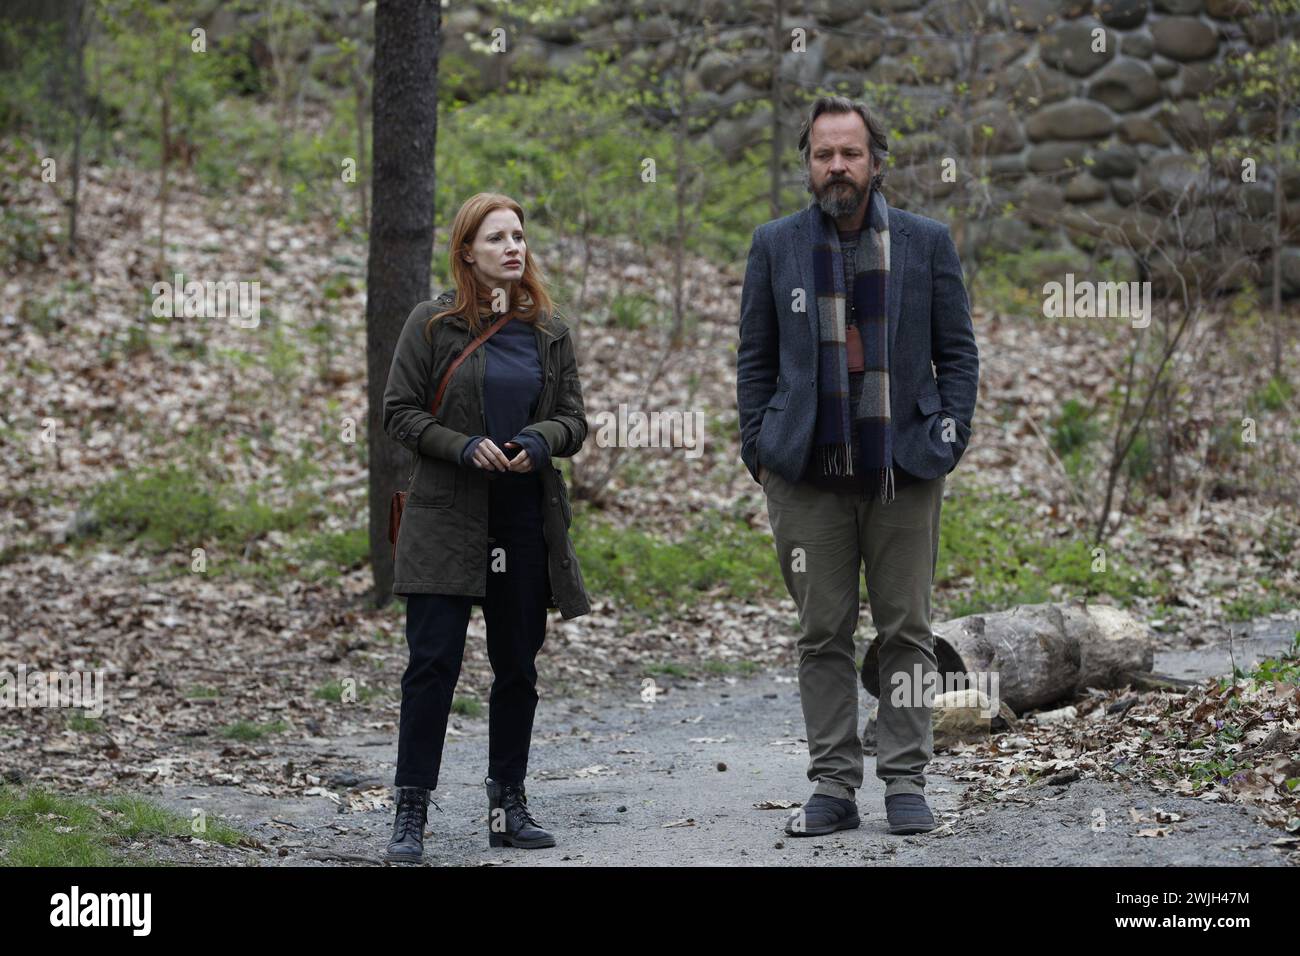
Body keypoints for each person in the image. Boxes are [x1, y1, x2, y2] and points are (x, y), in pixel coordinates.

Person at [736, 96, 979, 837]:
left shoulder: (924, 242)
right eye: (822, 154)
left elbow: (958, 351)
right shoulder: (774, 245)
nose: (836, 166)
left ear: (876, 160)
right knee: (822, 634)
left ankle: (905, 780)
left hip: (903, 470)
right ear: (807, 163)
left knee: (906, 631)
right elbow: (755, 356)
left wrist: (948, 433)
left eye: (849, 152)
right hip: (806, 478)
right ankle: (834, 786)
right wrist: (760, 447)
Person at [382, 192, 591, 862]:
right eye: (497, 237)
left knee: (517, 668)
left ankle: (508, 805)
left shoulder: (548, 332)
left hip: (523, 516)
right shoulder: (432, 324)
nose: (513, 247)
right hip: (446, 513)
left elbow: (575, 421)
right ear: (467, 250)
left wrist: (538, 437)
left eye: (520, 236)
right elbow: (399, 412)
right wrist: (461, 445)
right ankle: (410, 812)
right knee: (432, 664)